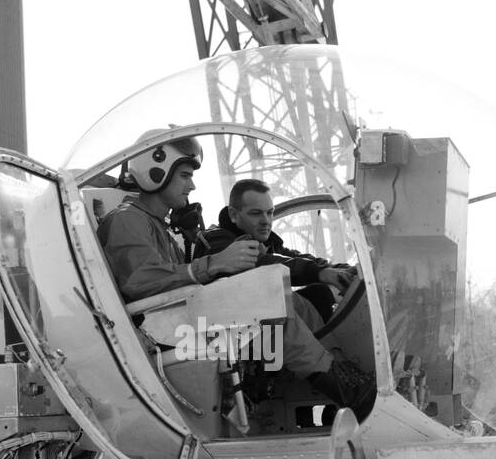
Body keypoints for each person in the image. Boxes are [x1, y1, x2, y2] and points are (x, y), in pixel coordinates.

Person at [96, 131, 375, 416]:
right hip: (170, 336)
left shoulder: (156, 225)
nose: (191, 185)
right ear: (155, 173)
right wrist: (215, 263)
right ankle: (358, 399)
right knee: (279, 328)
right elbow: (141, 284)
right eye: (184, 175)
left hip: (181, 326)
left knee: (292, 304)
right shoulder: (127, 220)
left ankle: (342, 378)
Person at [195, 178, 356, 321]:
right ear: (233, 214)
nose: (266, 221)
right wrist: (318, 272)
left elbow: (293, 257)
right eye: (256, 213)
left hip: (261, 330)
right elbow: (262, 263)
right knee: (319, 295)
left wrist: (343, 270)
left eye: (270, 212)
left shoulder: (267, 243)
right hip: (239, 339)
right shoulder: (217, 241)